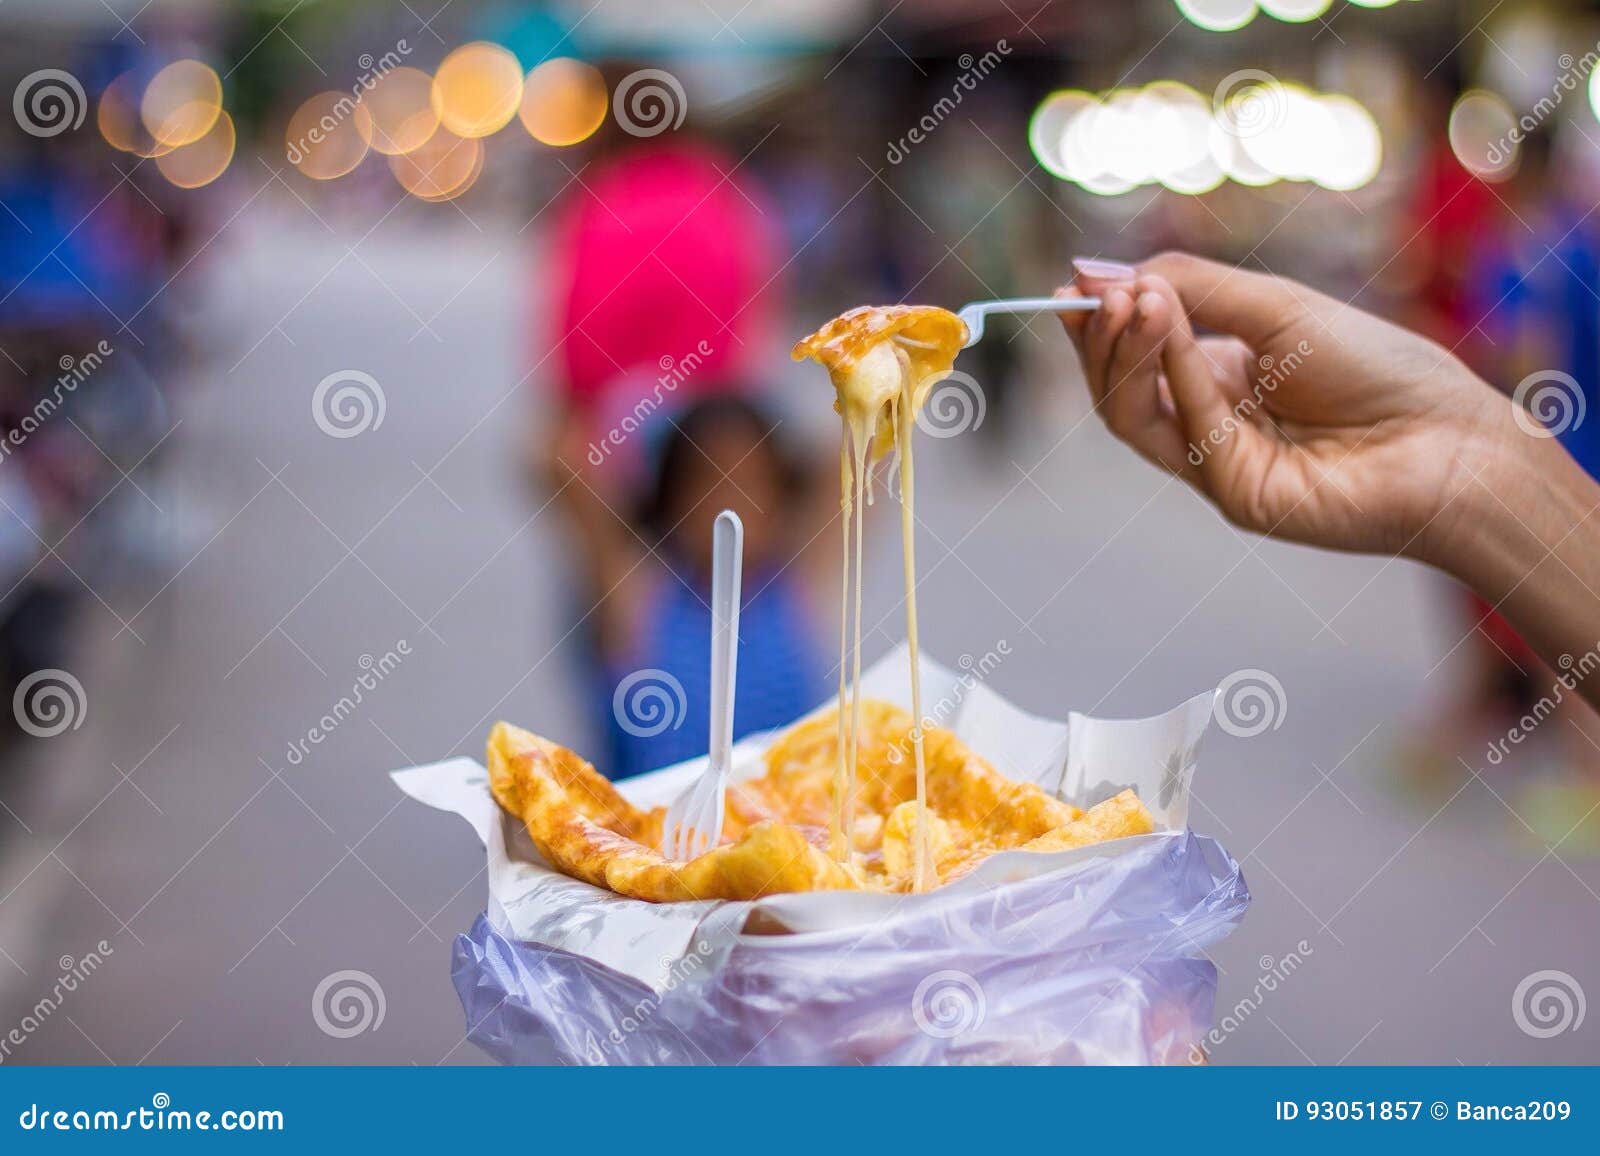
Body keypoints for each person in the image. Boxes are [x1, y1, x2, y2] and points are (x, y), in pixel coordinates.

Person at [1058, 253, 1600, 715]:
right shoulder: (1541, 251)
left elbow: (1527, 352)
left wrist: (1466, 454)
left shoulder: (1538, 254)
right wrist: (1466, 460)